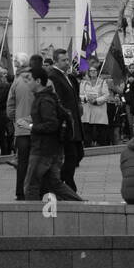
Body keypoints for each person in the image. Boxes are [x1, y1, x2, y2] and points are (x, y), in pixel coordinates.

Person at [25, 66, 81, 201]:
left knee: (31, 185)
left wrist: (31, 126)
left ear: (38, 81)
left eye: (29, 79)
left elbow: (52, 125)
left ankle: (30, 216)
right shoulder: (45, 97)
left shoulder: (45, 100)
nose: (27, 82)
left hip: (43, 150)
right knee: (55, 184)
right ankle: (82, 205)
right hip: (49, 149)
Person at [48, 49, 85, 190]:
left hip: (74, 121)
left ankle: (62, 183)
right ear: (56, 61)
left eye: (67, 59)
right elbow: (58, 101)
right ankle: (67, 185)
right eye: (63, 60)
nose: (67, 62)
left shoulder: (67, 76)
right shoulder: (54, 76)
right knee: (72, 155)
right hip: (66, 123)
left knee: (78, 154)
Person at [7, 54, 38, 198]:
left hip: (21, 129)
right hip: (37, 127)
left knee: (22, 162)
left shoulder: (17, 81)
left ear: (19, 65)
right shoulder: (38, 80)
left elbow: (10, 107)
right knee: (37, 161)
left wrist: (17, 119)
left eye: (14, 62)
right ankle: (35, 189)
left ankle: (20, 192)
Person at [79, 63, 111, 148]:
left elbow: (106, 95)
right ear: (88, 72)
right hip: (87, 111)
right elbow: (80, 95)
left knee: (100, 132)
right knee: (87, 132)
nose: (92, 72)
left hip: (99, 111)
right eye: (91, 71)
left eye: (94, 71)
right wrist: (86, 98)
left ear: (97, 72)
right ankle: (88, 147)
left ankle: (101, 149)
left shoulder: (102, 82)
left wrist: (96, 100)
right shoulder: (84, 83)